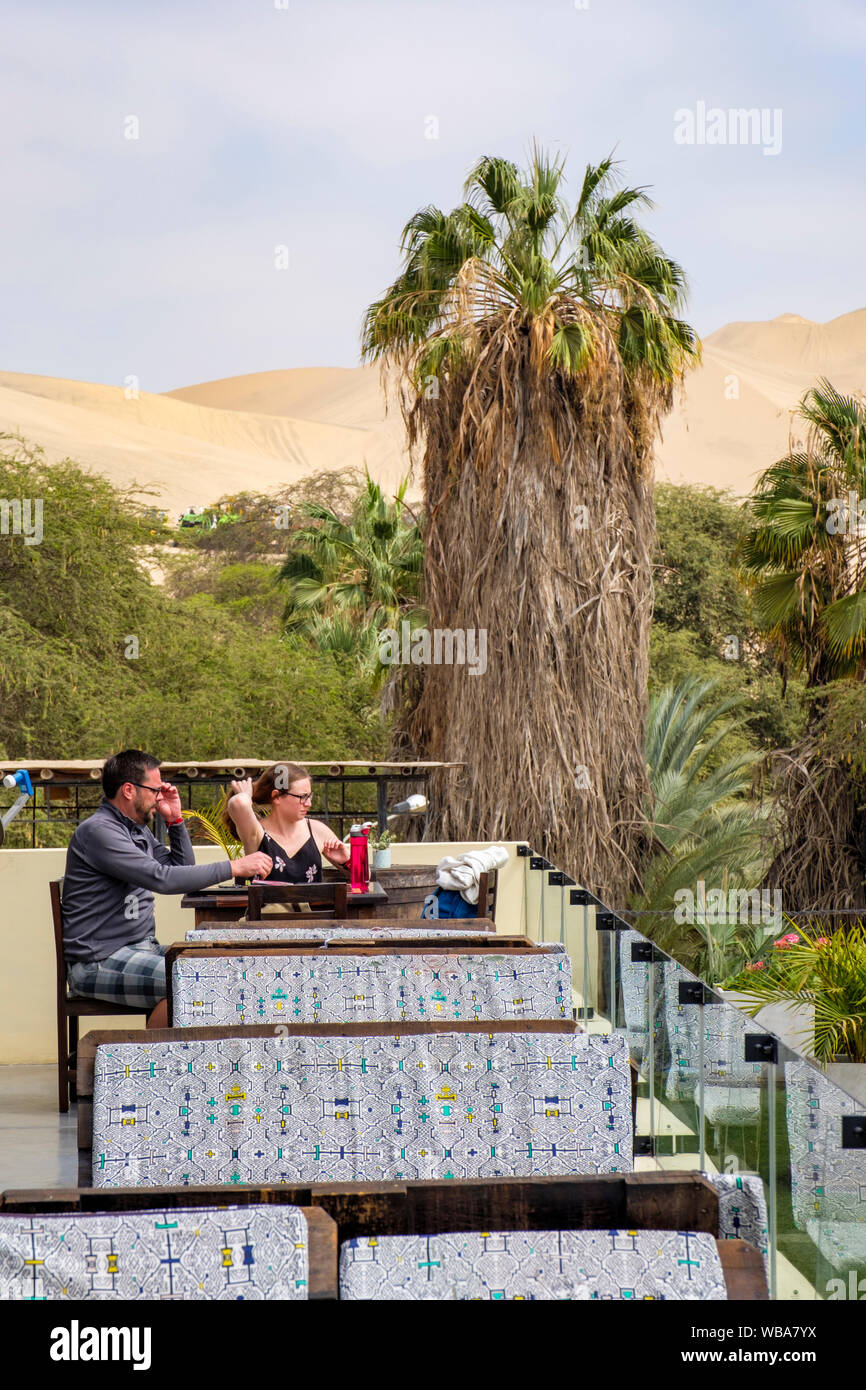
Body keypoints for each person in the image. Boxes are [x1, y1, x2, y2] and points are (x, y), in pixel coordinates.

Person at [62, 750, 273, 1028]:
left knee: (217, 968)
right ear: (128, 790)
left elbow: (182, 868)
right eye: (154, 789)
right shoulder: (100, 831)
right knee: (193, 980)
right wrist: (235, 867)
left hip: (141, 949)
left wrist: (175, 821)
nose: (159, 796)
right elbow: (163, 879)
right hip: (97, 961)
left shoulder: (135, 830)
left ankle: (168, 1059)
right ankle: (154, 1063)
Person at [226, 762, 350, 883]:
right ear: (277, 796)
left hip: (312, 905)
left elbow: (363, 878)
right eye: (302, 797)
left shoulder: (317, 830)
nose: (308, 804)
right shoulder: (257, 833)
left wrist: (346, 862)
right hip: (269, 905)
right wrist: (246, 794)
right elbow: (238, 803)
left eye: (309, 796)